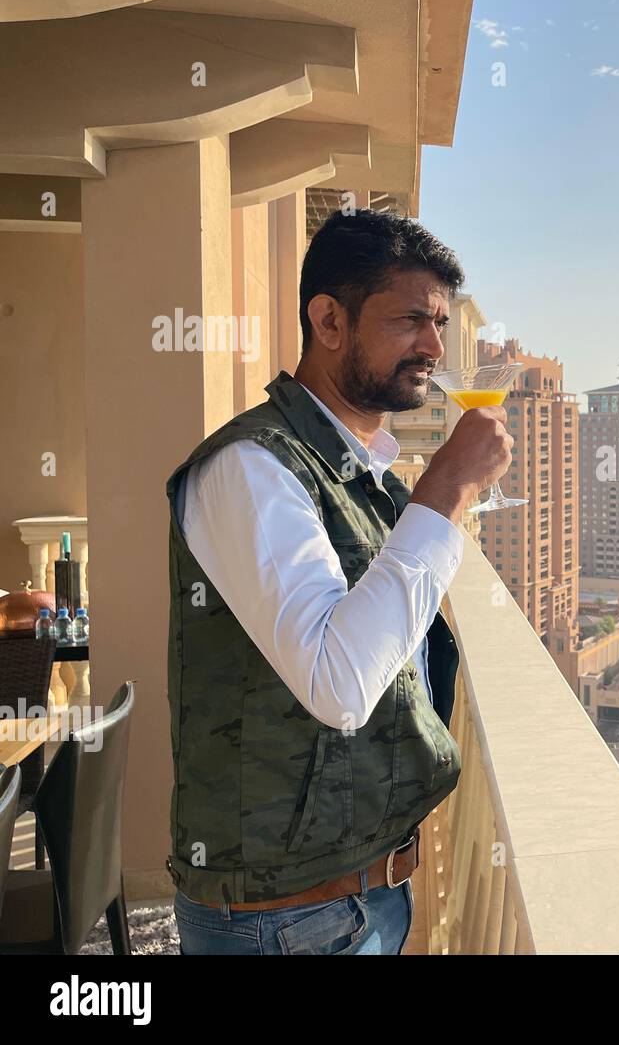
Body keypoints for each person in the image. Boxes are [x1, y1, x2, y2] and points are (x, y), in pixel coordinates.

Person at [164, 208, 512, 954]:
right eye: (412, 318)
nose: (434, 345)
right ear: (328, 319)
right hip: (281, 921)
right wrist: (448, 485)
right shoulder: (252, 469)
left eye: (441, 323)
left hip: (357, 898)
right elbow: (338, 684)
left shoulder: (349, 470)